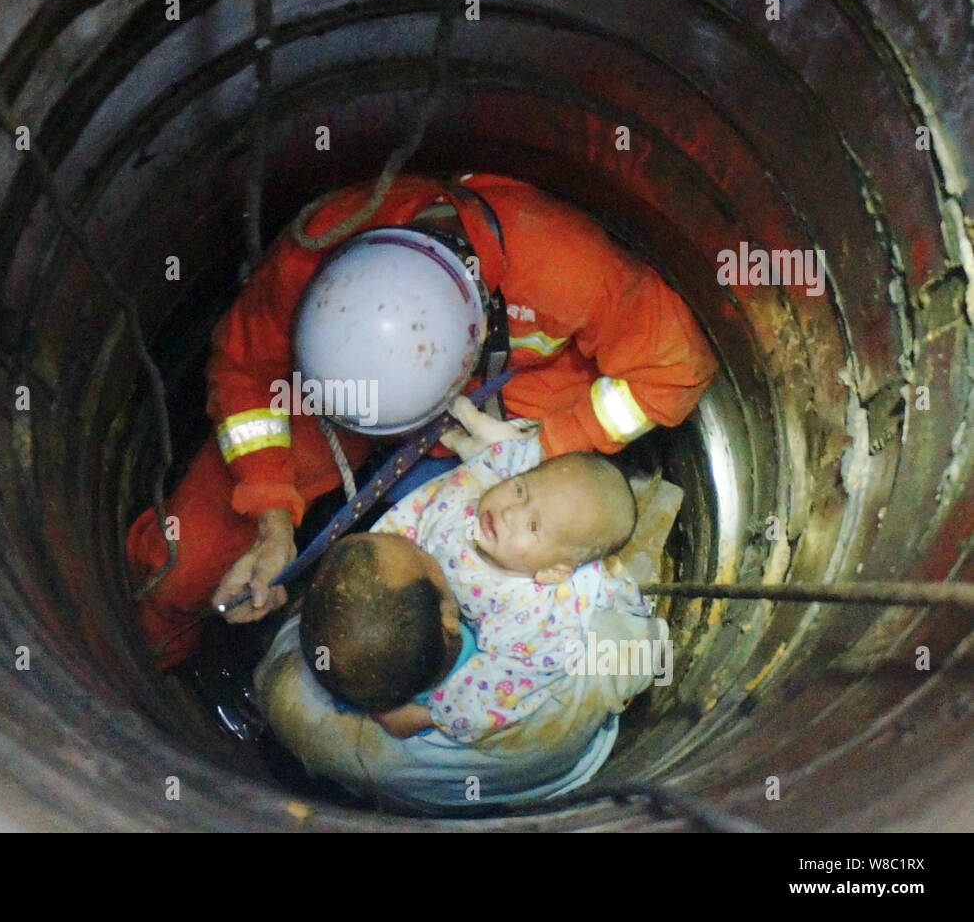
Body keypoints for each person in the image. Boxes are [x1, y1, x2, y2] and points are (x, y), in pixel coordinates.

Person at [128, 172, 716, 667]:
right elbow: (246, 377)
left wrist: (545, 448)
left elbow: (677, 369)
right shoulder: (310, 261)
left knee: (458, 601)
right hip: (332, 406)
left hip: (510, 396)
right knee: (186, 569)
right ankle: (153, 664)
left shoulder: (564, 266)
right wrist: (272, 521)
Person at [300, 430, 659, 745]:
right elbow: (409, 521)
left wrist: (431, 716)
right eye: (520, 490)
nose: (510, 512)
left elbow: (504, 689)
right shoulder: (467, 498)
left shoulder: (539, 613)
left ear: (553, 570)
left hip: (547, 620)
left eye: (534, 526)